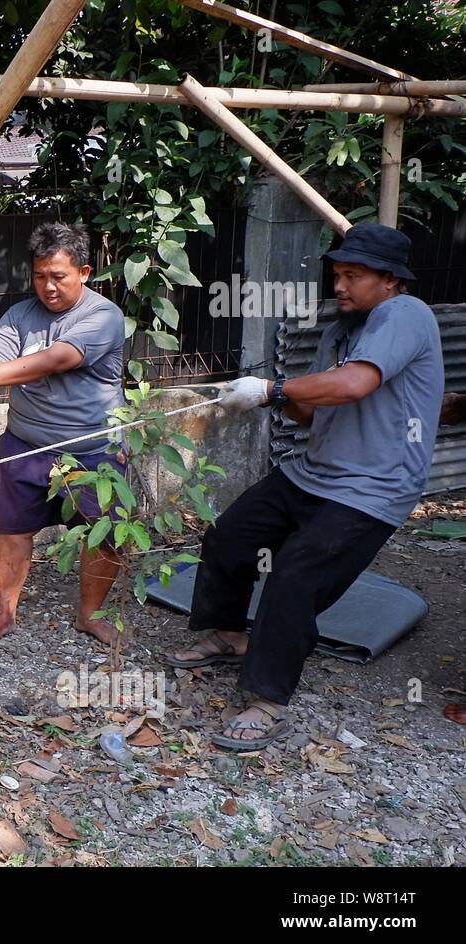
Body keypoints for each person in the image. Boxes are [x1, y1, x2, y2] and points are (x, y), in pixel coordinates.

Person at [176, 223, 443, 750]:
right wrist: (264, 397)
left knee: (295, 576)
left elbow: (354, 384)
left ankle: (266, 698)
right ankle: (231, 634)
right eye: (337, 274)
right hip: (314, 471)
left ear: (391, 281)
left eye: (354, 275)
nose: (339, 285)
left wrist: (272, 388)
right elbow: (308, 409)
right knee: (230, 536)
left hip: (373, 487)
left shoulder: (404, 314)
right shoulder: (341, 330)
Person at [0, 222, 126, 648]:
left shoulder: (104, 316)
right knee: (12, 531)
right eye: (39, 277)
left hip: (91, 449)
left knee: (100, 533)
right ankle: (4, 614)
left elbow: (59, 357)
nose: (48, 287)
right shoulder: (20, 314)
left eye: (58, 277)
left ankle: (90, 616)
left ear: (84, 272)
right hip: (25, 443)